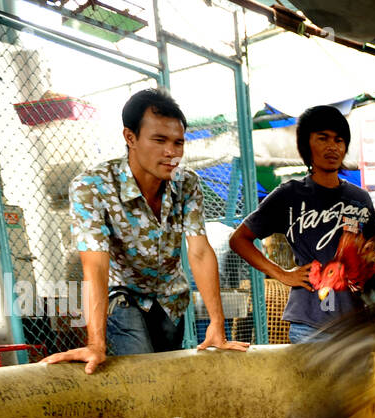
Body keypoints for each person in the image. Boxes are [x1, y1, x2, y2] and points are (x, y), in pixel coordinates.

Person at [46, 89, 245, 373]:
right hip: (121, 296)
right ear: (131, 138)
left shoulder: (187, 183)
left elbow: (199, 252)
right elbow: (96, 268)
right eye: (159, 140)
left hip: (170, 299)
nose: (171, 152)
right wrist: (95, 343)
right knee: (142, 374)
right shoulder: (92, 186)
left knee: (165, 377)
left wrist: (217, 324)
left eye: (178, 143)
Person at [228, 104, 375, 344]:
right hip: (309, 325)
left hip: (357, 323)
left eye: (339, 140)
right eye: (323, 138)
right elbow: (239, 239)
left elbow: (374, 257)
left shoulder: (359, 198)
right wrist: (281, 274)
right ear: (306, 144)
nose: (332, 147)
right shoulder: (288, 195)